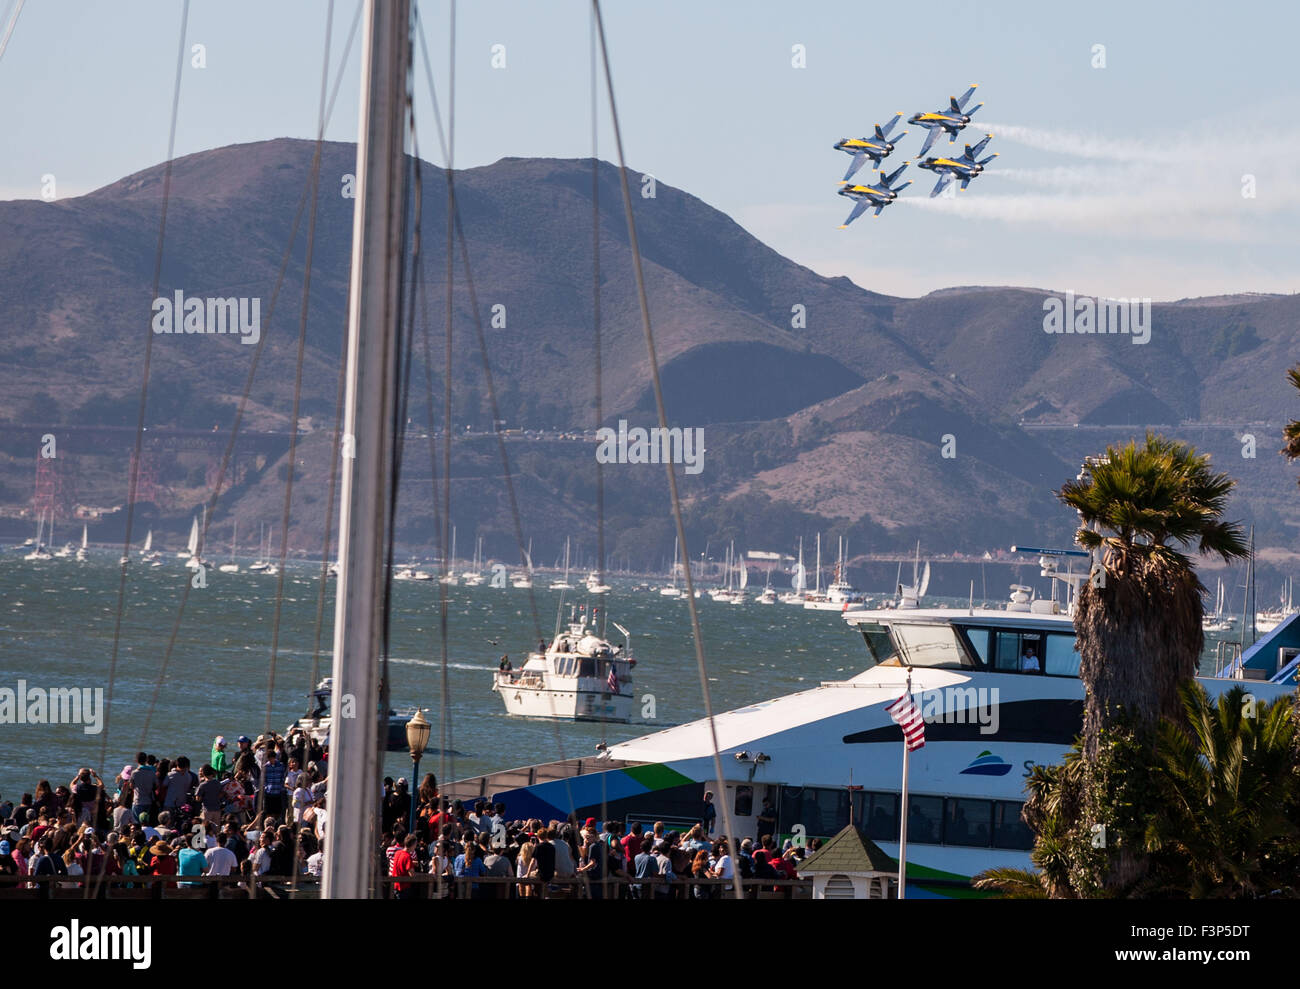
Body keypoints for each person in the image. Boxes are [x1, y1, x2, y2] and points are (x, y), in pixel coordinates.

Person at [391, 834, 418, 900]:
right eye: (415, 844)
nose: (415, 846)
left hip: (396, 885)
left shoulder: (397, 853)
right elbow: (412, 874)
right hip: (404, 887)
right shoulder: (407, 856)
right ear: (412, 844)